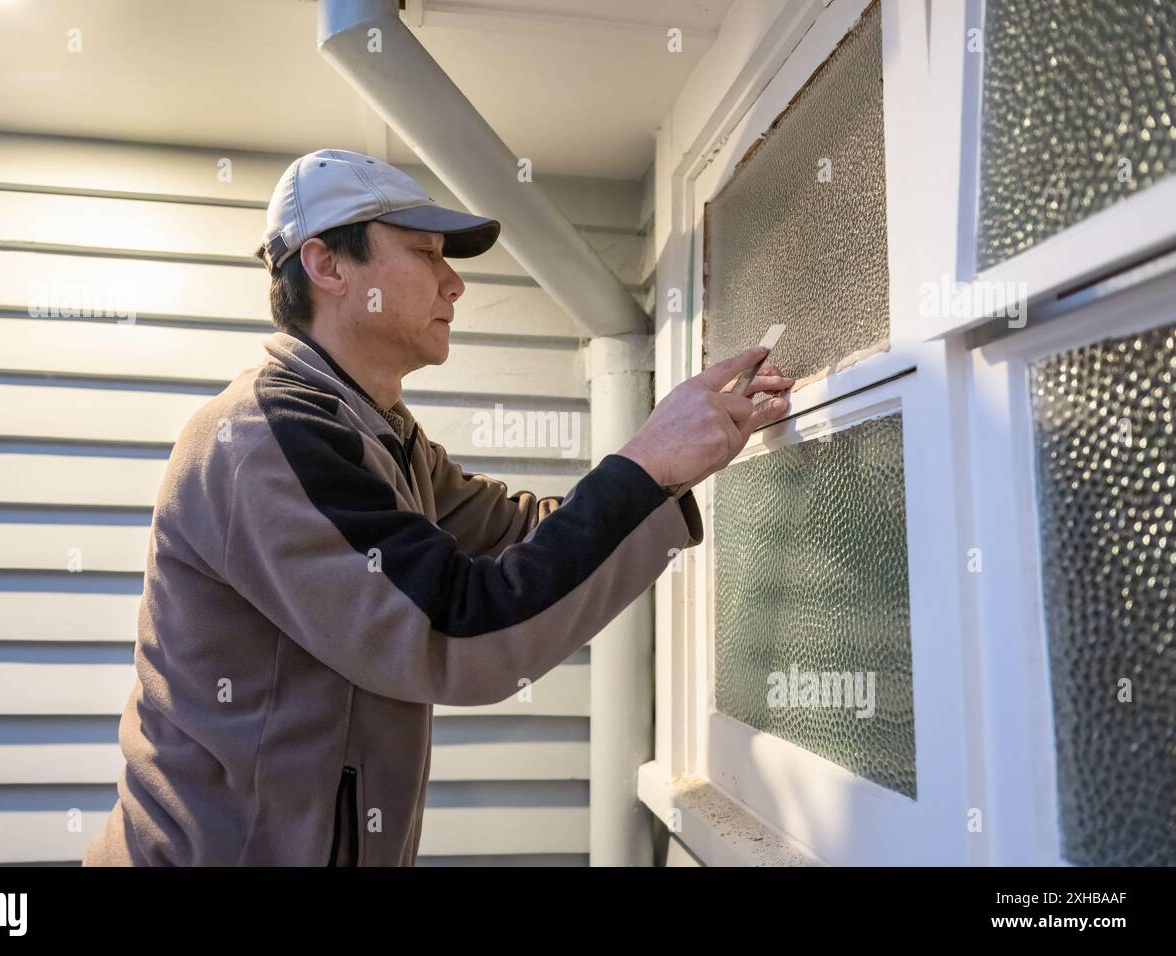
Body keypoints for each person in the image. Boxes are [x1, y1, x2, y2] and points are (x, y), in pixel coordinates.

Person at [82, 148, 793, 866]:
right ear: (327, 266)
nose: (454, 282)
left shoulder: (376, 432)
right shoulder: (269, 436)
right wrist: (646, 462)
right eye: (425, 252)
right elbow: (459, 629)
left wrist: (674, 464)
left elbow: (522, 535)